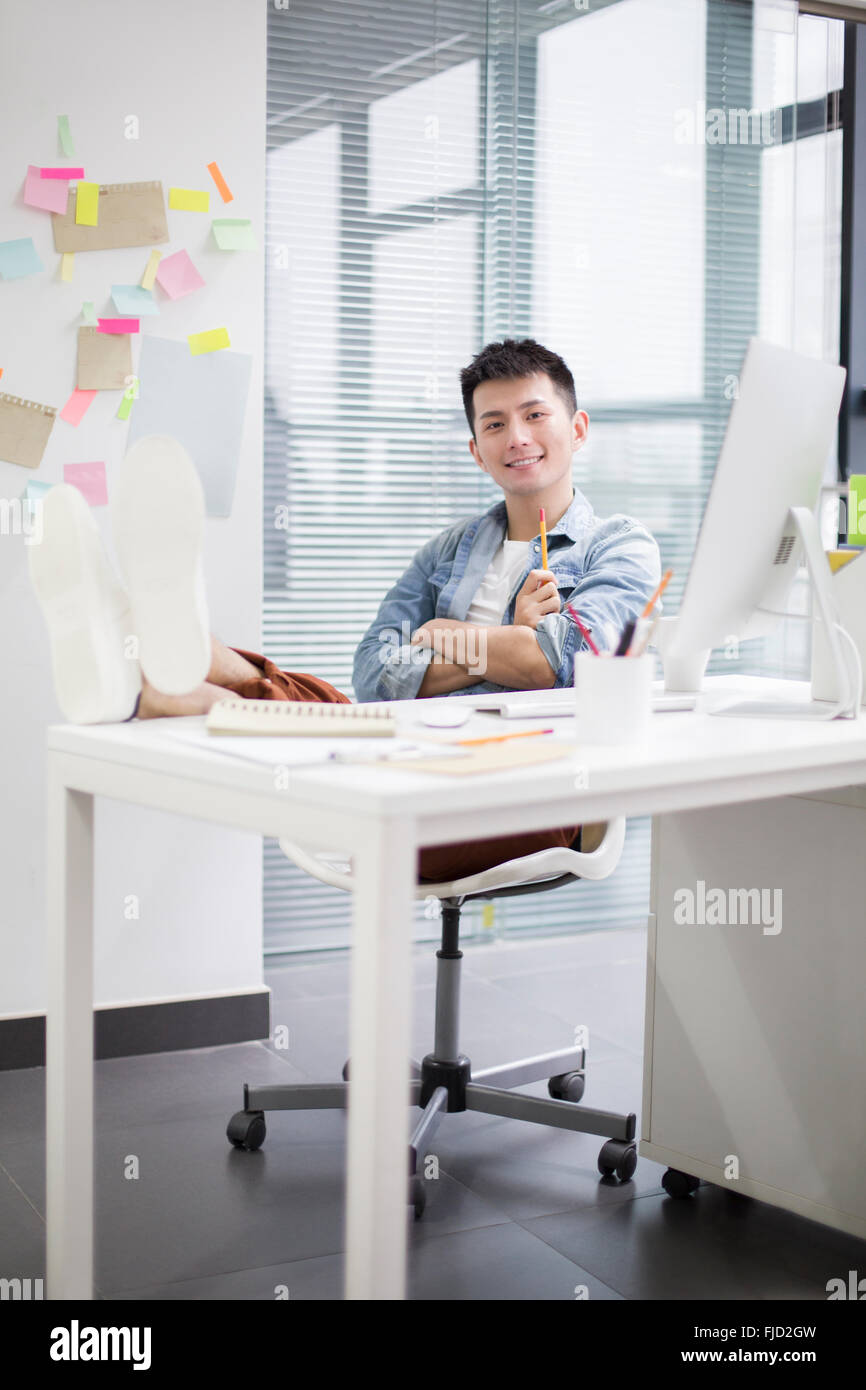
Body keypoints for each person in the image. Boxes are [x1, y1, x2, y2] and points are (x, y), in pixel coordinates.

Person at [29, 338, 660, 882]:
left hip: (527, 795)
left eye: (533, 414)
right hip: (415, 767)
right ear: (475, 449)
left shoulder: (620, 545)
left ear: (576, 429)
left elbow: (564, 660)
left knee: (341, 741)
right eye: (494, 424)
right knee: (348, 726)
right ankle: (167, 681)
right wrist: (500, 644)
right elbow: (371, 673)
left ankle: (174, 669)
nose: (516, 437)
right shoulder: (448, 551)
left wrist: (456, 640)